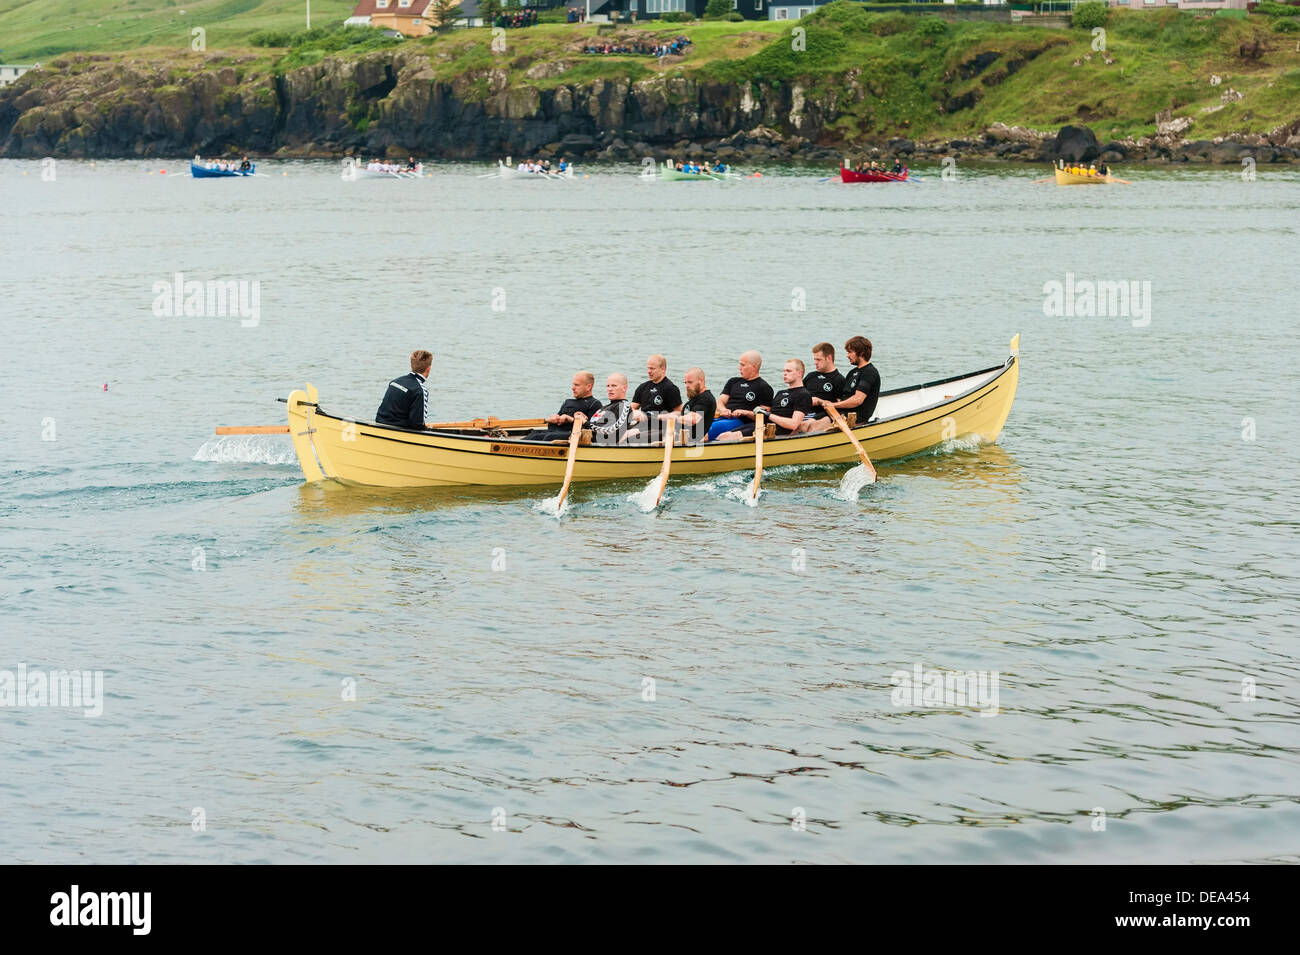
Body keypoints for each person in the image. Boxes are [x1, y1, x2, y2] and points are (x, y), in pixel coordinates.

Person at [808, 335, 880, 430]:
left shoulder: (870, 372)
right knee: (805, 424)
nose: (847, 355)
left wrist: (833, 405)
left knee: (814, 426)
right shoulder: (852, 373)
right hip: (840, 412)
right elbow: (843, 398)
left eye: (850, 352)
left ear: (861, 353)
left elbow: (857, 400)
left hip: (854, 416)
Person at [708, 351, 774, 442]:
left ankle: (694, 451)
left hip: (741, 422)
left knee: (704, 430)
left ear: (754, 366)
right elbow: (720, 402)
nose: (739, 368)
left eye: (743, 365)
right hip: (722, 417)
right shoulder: (733, 381)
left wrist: (744, 412)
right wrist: (723, 410)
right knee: (695, 425)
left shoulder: (764, 387)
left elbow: (763, 417)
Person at [523, 370, 603, 441]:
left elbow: (594, 430)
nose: (572, 388)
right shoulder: (568, 402)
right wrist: (555, 418)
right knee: (534, 434)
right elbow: (554, 424)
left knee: (550, 437)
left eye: (577, 385)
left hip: (574, 435)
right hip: (556, 431)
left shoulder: (595, 404)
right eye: (573, 384)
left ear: (588, 387)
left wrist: (570, 419)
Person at [375, 349, 433, 430]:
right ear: (428, 369)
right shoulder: (420, 390)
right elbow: (417, 424)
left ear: (412, 365)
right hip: (397, 430)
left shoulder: (395, 381)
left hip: (380, 424)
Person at [756, 359, 813, 436]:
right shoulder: (780, 393)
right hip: (763, 428)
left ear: (800, 373)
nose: (785, 374)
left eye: (789, 371)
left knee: (735, 435)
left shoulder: (803, 395)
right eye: (784, 371)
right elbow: (769, 414)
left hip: (778, 434)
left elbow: (793, 424)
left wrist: (768, 415)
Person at [799, 341, 846, 431]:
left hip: (822, 415)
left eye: (818, 360)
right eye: (814, 359)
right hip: (803, 412)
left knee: (805, 426)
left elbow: (841, 407)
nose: (815, 363)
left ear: (829, 358)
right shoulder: (811, 376)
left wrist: (820, 401)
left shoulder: (839, 380)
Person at [585, 373, 635, 446]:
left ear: (624, 388)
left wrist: (585, 423)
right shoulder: (604, 407)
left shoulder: (623, 406)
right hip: (587, 439)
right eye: (608, 386)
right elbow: (594, 424)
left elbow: (611, 429)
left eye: (614, 386)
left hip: (600, 444)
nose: (610, 389)